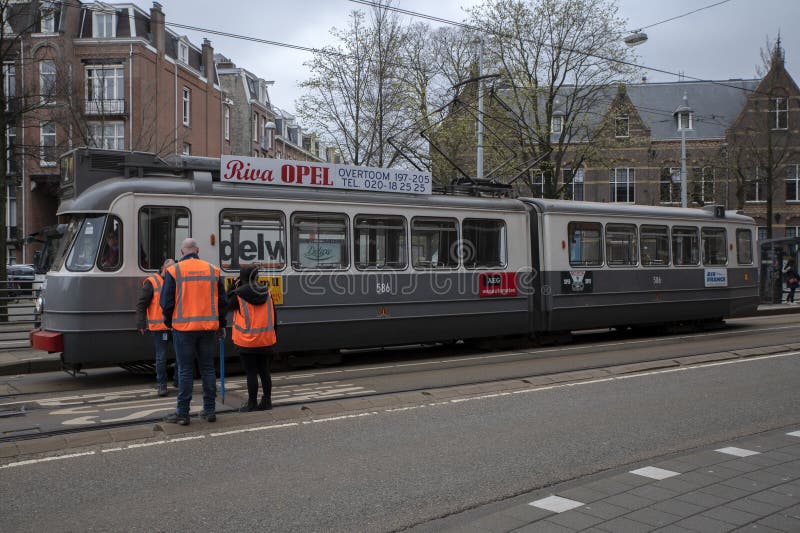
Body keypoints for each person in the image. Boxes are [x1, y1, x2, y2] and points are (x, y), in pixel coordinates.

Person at [160, 238, 227, 425]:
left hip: (183, 329)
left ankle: (183, 413)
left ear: (182, 252)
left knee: (185, 370)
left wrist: (169, 322)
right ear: (197, 250)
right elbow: (223, 302)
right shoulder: (213, 270)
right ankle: (210, 410)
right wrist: (221, 325)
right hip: (208, 329)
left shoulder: (174, 271)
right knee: (207, 369)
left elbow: (166, 303)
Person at [227, 265, 277, 412]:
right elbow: (274, 318)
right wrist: (274, 339)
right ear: (257, 277)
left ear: (241, 278)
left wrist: (231, 286)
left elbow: (225, 304)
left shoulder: (238, 295)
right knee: (264, 371)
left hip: (246, 342)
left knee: (251, 372)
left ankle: (252, 403)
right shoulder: (267, 292)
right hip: (266, 340)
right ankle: (267, 401)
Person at [136, 258, 176, 397]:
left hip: (175, 326)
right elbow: (141, 304)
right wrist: (141, 323)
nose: (171, 272)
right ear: (163, 268)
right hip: (159, 327)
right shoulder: (151, 282)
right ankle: (162, 385)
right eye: (169, 269)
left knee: (182, 355)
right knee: (161, 358)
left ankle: (177, 381)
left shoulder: (177, 280)